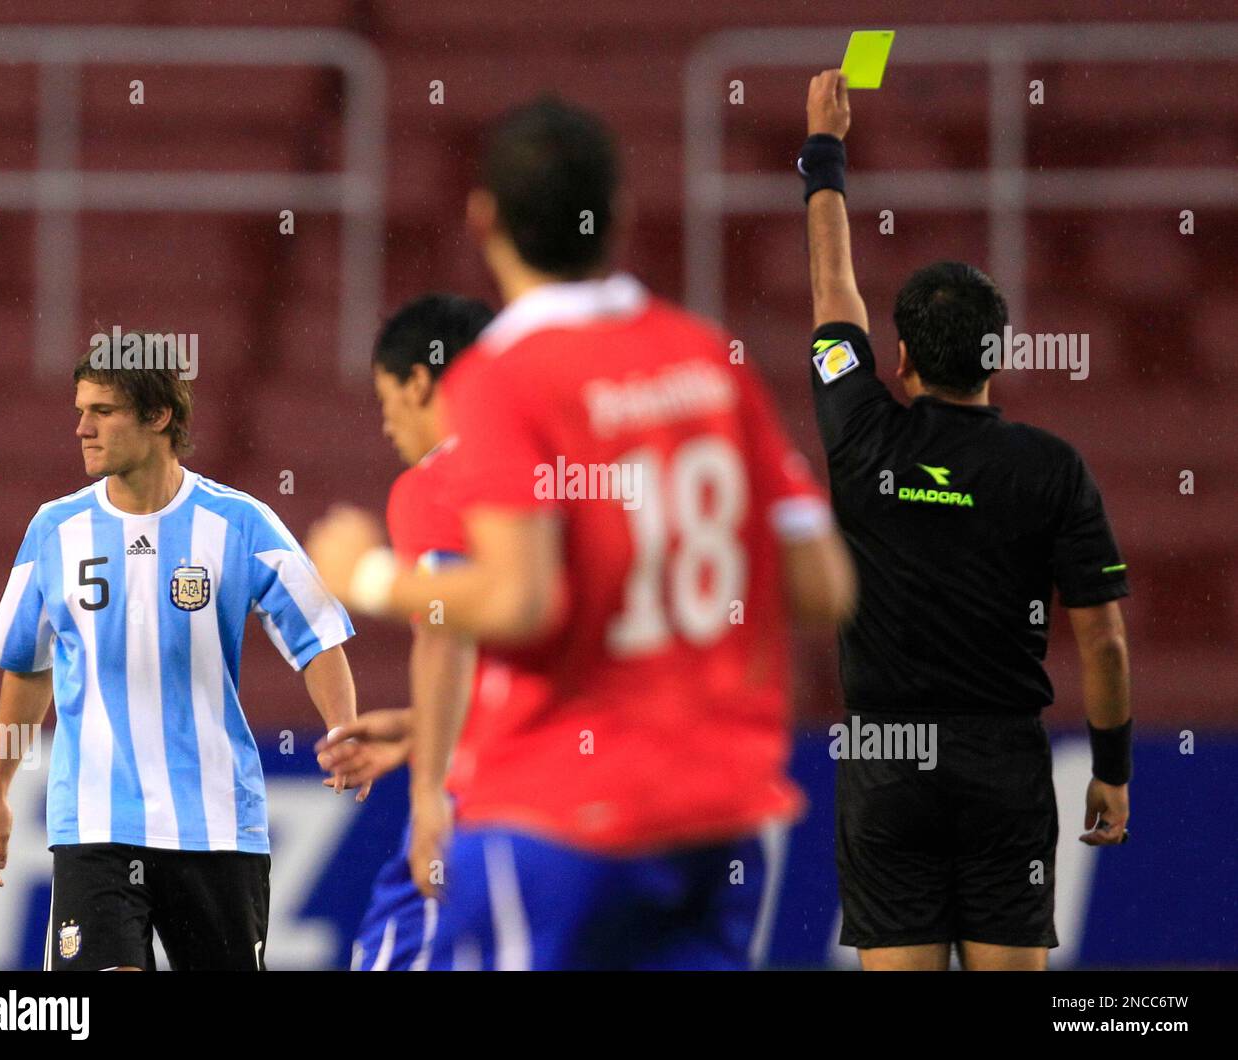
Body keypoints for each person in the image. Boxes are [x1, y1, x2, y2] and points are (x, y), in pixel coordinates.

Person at [308, 96, 855, 970]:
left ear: (483, 219)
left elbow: (521, 601)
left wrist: (369, 576)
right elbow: (824, 584)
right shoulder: (707, 359)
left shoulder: (501, 379)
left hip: (560, 820)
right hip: (718, 813)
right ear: (621, 213)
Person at [797, 70, 1132, 971]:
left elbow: (834, 292)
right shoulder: (1051, 469)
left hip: (884, 762)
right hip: (1003, 773)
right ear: (998, 355)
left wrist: (824, 153)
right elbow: (1102, 641)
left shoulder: (860, 434)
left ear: (898, 358)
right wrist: (1112, 768)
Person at [0, 345, 357, 970]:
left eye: (103, 411)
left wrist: (341, 727)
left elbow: (317, 637)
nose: (82, 428)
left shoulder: (240, 523)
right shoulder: (55, 530)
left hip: (215, 825)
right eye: (80, 411)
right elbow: (28, 665)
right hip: (95, 823)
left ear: (157, 415)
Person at [325, 293, 495, 971]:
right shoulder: (561, 479)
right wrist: (424, 725)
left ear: (419, 381)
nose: (387, 422)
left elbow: (447, 629)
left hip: (492, 795)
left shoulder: (436, 482)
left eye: (386, 396)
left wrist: (430, 792)